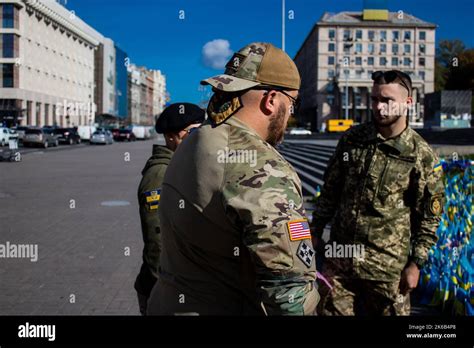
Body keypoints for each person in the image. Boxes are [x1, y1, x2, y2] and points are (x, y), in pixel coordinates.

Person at [147, 42, 319, 315]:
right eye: (292, 104)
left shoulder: (195, 140)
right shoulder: (261, 165)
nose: (290, 117)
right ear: (272, 99)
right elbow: (290, 296)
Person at [312, 70, 445, 316]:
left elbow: (429, 218)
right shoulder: (353, 139)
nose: (379, 107)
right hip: (340, 263)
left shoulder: (421, 155)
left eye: (387, 101)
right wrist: (315, 230)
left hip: (387, 271)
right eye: (374, 100)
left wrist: (416, 264)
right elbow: (331, 190)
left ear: (408, 102)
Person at [134, 102, 205, 315]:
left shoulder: (180, 166)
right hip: (163, 288)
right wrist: (165, 291)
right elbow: (157, 238)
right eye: (192, 131)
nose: (198, 137)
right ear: (171, 136)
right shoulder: (160, 174)